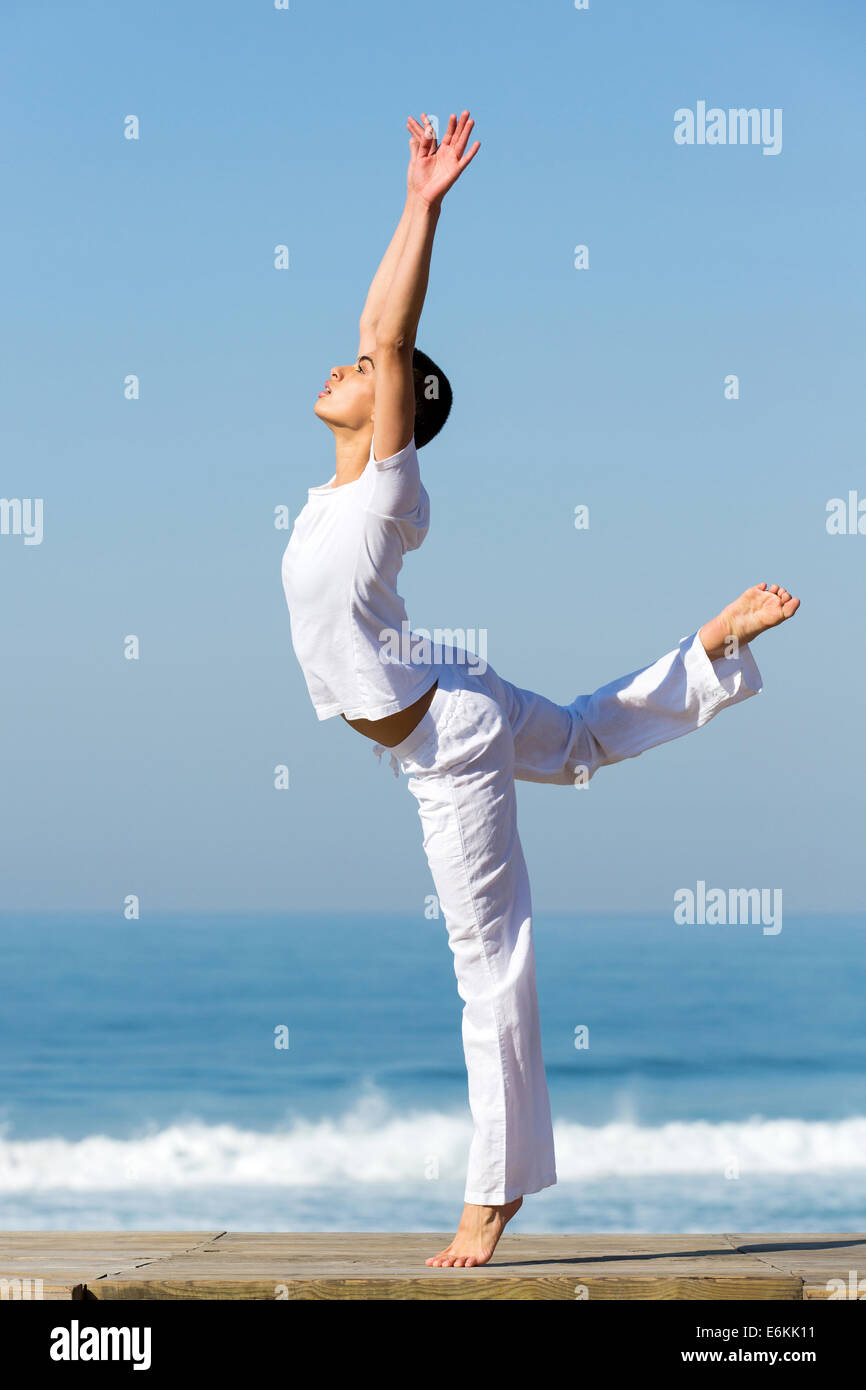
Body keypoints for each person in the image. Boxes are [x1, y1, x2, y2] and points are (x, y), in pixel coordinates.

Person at [281, 110, 801, 1267]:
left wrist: (420, 206)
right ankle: (707, 647)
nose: (346, 365)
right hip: (444, 687)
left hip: (442, 743)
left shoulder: (382, 497)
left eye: (366, 374)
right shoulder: (327, 502)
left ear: (399, 410)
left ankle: (493, 1192)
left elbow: (387, 324)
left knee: (488, 957)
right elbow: (371, 334)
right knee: (572, 739)